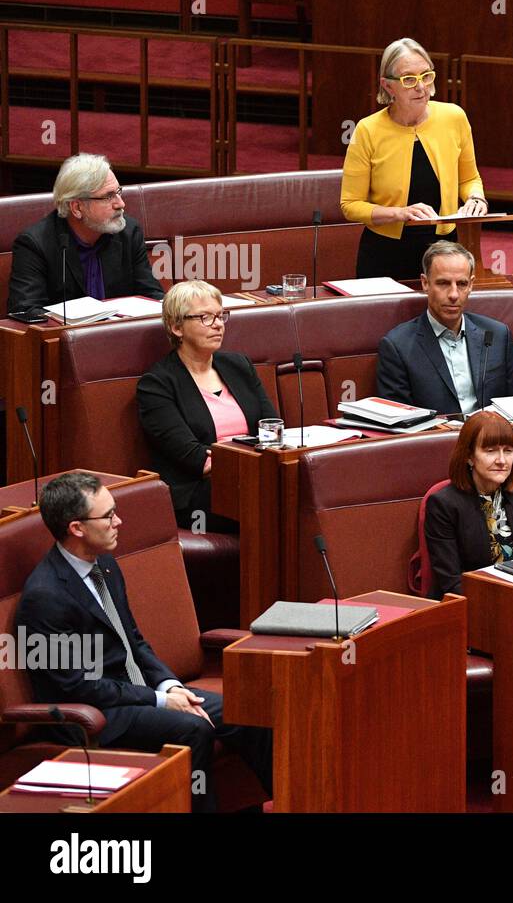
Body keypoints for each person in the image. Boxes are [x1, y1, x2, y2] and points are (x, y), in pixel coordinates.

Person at [16, 472, 272, 812]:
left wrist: (171, 685)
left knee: (247, 711)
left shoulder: (103, 564)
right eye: (108, 516)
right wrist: (160, 700)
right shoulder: (46, 597)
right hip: (96, 715)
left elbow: (132, 639)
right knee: (192, 728)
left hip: (133, 694)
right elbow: (78, 686)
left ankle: (286, 802)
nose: (118, 521)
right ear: (76, 528)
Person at [340, 37, 488, 280]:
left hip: (443, 250)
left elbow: (470, 178)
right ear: (388, 86)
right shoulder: (368, 130)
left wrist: (476, 197)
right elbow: (350, 205)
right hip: (385, 253)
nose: (421, 87)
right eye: (409, 80)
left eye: (426, 76)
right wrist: (400, 213)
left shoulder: (454, 117)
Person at [136, 280, 278, 530]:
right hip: (197, 495)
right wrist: (251, 461)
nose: (218, 324)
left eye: (220, 316)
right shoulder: (157, 385)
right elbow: (195, 459)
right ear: (176, 327)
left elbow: (271, 429)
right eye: (204, 317)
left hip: (252, 476)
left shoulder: (239, 365)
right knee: (269, 498)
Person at [376, 241, 513, 414]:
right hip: (434, 439)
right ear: (425, 283)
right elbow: (399, 424)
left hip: (490, 438)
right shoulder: (397, 346)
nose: (454, 294)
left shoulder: (497, 335)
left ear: (470, 285)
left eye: (461, 284)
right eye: (443, 283)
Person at [6, 153, 163, 315]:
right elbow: (25, 311)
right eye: (108, 196)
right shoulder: (35, 245)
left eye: (118, 192)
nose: (120, 203)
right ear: (77, 208)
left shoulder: (128, 233)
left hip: (120, 336)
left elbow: (151, 295)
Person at [424, 411, 513, 597]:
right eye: (490, 451)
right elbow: (451, 582)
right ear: (469, 457)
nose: (501, 460)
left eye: (508, 450)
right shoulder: (444, 505)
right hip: (474, 605)